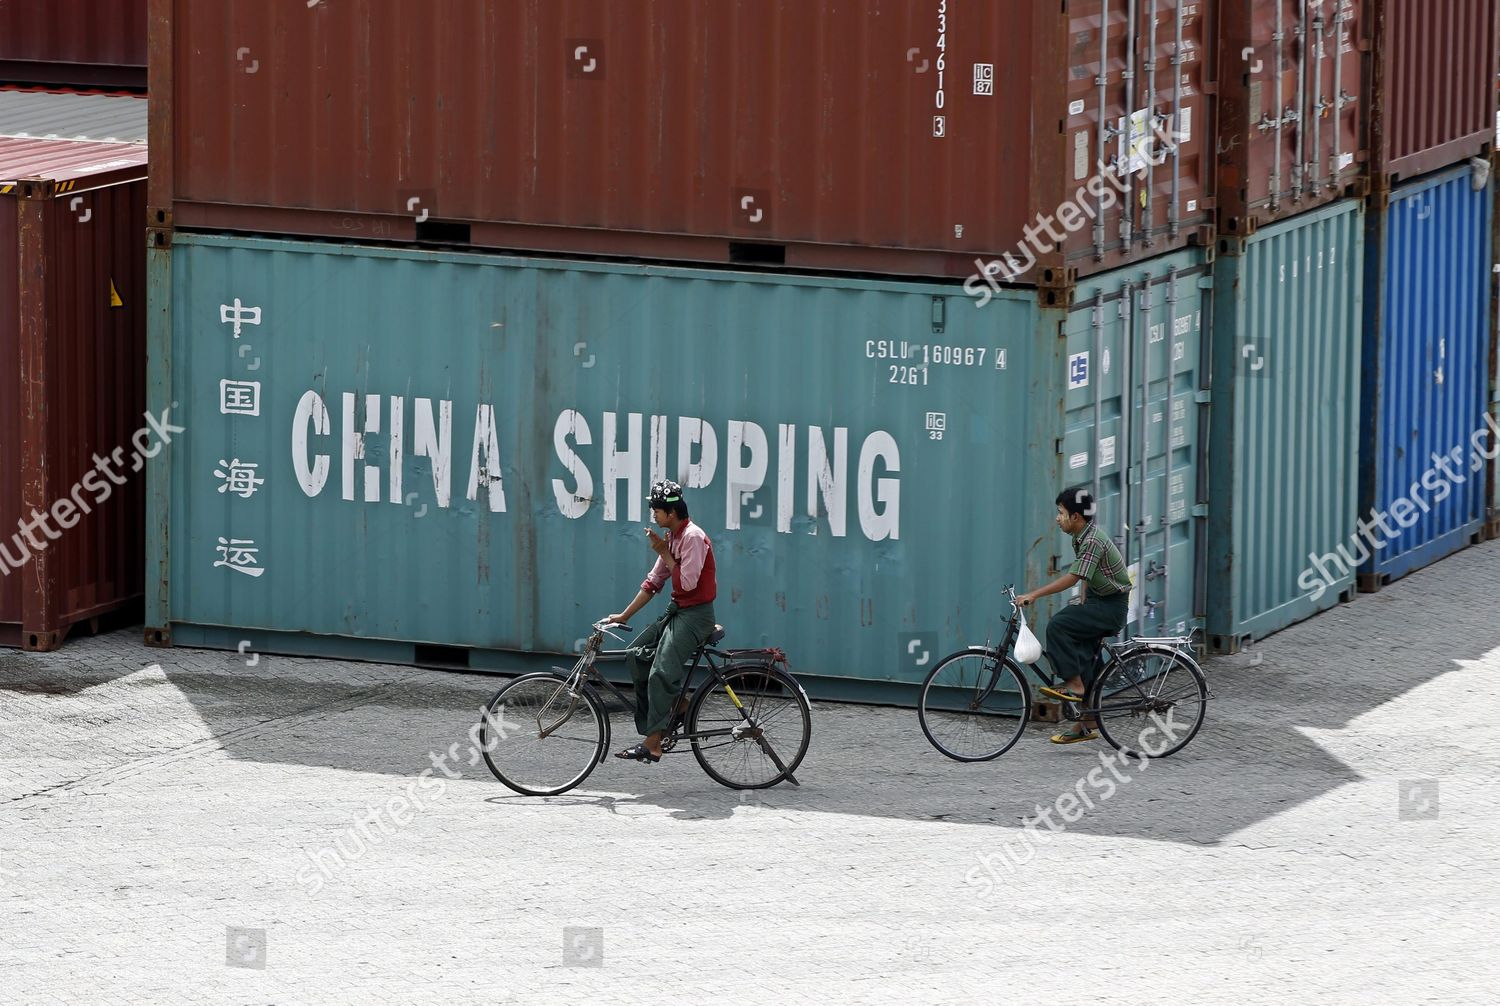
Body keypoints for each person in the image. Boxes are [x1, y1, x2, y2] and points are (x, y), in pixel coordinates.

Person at [606, 479, 718, 763]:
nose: (653, 516)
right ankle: (679, 704)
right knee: (635, 654)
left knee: (661, 673)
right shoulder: (672, 538)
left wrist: (664, 553)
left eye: (656, 510)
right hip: (678, 611)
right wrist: (624, 616)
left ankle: (653, 742)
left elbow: (689, 583)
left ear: (671, 512)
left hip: (696, 616)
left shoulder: (692, 537)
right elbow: (654, 582)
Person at [1016, 486, 1132, 745]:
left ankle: (1074, 684)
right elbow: (1087, 575)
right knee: (1088, 662)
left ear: (1076, 517)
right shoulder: (1081, 536)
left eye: (1061, 513)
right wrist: (1084, 598)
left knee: (1058, 625)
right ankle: (1086, 724)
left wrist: (1033, 595)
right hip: (1099, 601)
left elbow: (1073, 577)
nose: (1057, 518)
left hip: (1110, 607)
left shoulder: (1091, 540)